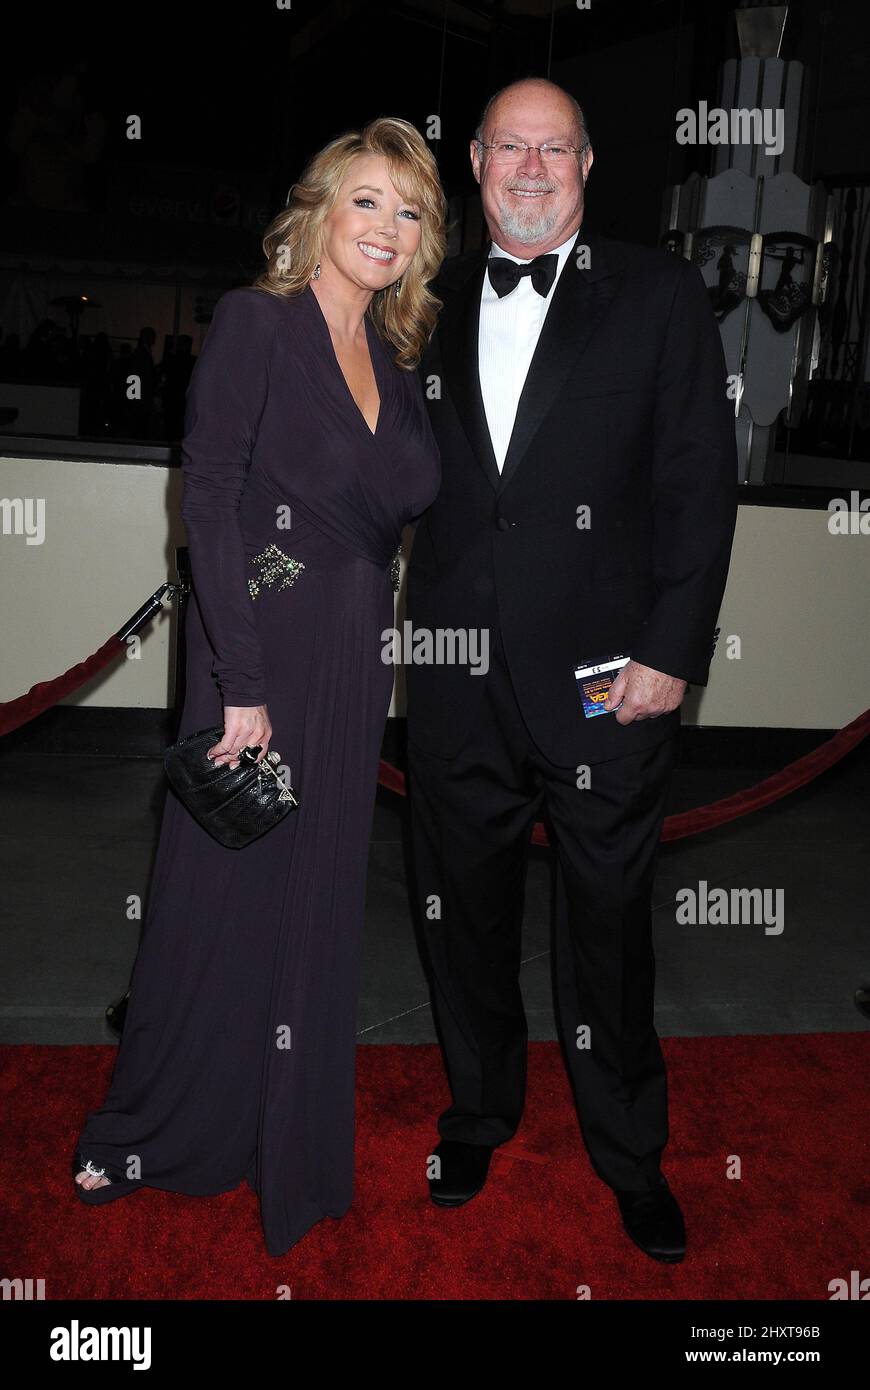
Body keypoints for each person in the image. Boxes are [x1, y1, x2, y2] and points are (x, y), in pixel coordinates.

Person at [72, 116, 446, 1258]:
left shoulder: (395, 362)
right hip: (259, 652)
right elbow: (214, 501)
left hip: (350, 658)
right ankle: (146, 1130)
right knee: (214, 895)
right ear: (322, 210)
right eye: (369, 200)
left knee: (311, 904)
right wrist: (237, 681)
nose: (388, 226)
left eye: (412, 210)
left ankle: (277, 1132)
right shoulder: (255, 322)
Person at [405, 77, 737, 1263]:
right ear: (477, 162)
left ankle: (630, 1154)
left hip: (610, 681)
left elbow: (701, 484)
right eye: (509, 147)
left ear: (589, 164)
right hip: (451, 681)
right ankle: (480, 1111)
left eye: (555, 148)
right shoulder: (420, 298)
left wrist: (671, 654)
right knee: (463, 921)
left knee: (608, 926)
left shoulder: (655, 294)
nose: (531, 168)